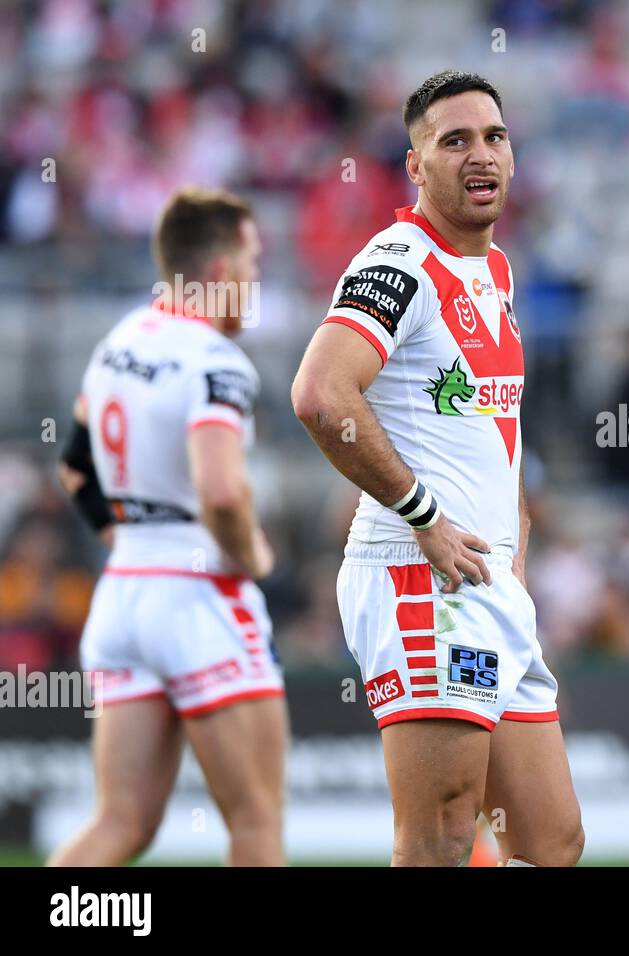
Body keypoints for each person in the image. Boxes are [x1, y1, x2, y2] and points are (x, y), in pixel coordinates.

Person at [291, 71, 582, 867]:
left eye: (493, 137)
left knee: (549, 843)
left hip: (487, 583)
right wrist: (422, 514)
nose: (479, 154)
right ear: (416, 168)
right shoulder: (399, 259)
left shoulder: (497, 271)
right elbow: (320, 393)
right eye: (453, 141)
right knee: (441, 840)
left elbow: (491, 425)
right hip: (421, 576)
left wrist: (514, 536)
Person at [50, 187, 287, 866]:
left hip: (123, 592)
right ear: (218, 272)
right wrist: (254, 556)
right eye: (252, 259)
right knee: (256, 822)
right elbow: (219, 490)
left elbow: (73, 470)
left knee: (119, 825)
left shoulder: (120, 340)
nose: (257, 278)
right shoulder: (216, 361)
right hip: (199, 594)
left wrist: (126, 540)